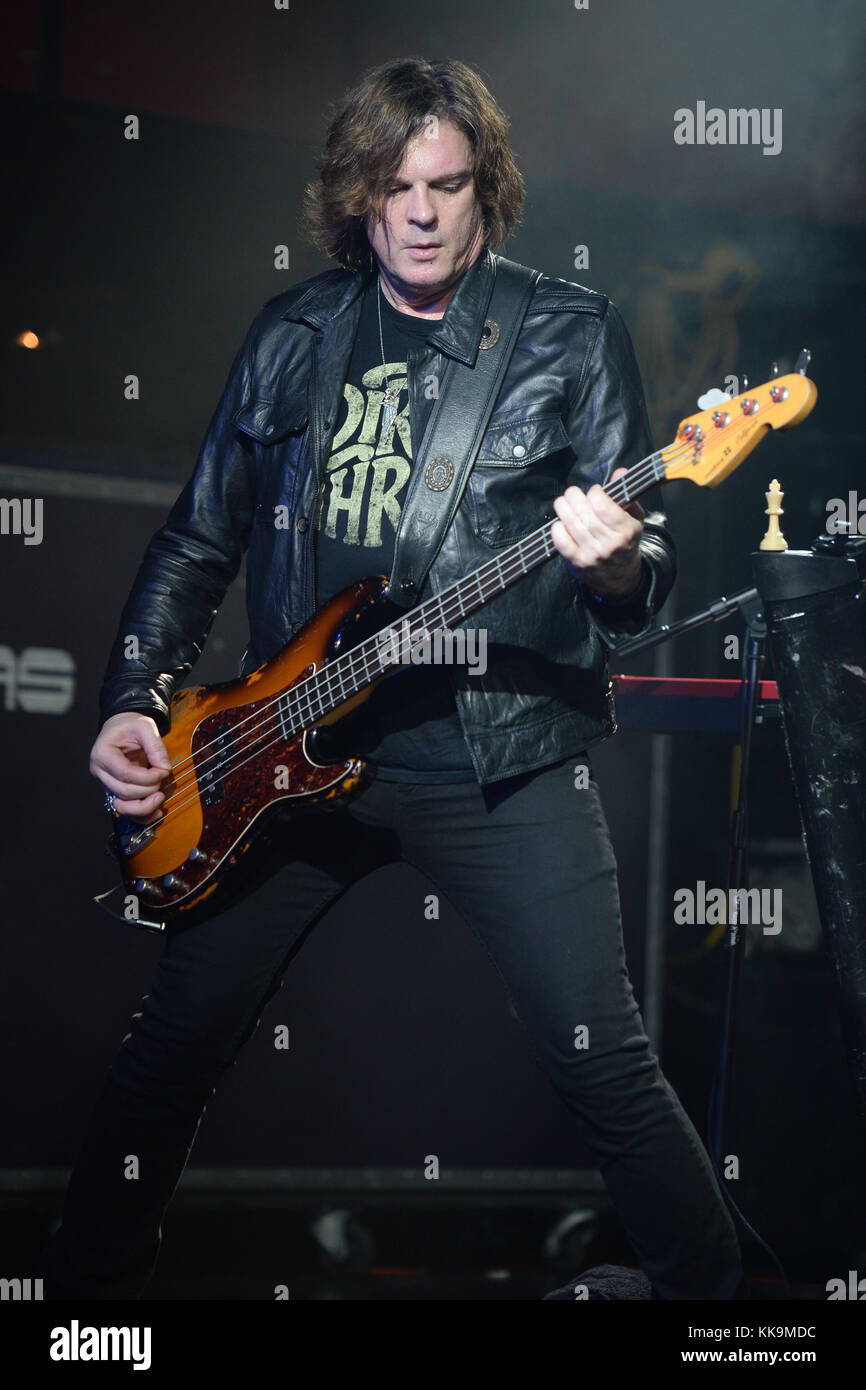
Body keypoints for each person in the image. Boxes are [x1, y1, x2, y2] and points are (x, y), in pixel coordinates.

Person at [42, 56, 744, 1300]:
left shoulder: (568, 334)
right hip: (280, 745)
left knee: (603, 1064)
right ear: (355, 195)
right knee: (169, 1051)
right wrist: (130, 700)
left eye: (448, 185)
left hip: (498, 748)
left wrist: (619, 566)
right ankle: (82, 1321)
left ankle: (720, 1314)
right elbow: (199, 538)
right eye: (393, 186)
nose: (420, 213)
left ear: (487, 190)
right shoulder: (292, 335)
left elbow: (642, 584)